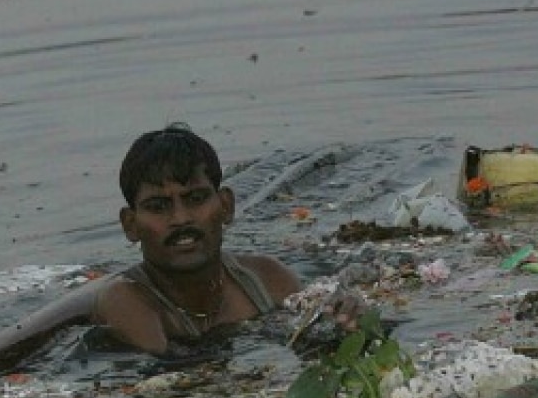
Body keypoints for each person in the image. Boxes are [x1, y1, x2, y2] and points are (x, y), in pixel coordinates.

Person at [92, 123, 360, 355]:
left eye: (196, 199)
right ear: (130, 225)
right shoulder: (125, 300)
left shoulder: (268, 279)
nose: (181, 219)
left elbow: (312, 337)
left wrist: (342, 320)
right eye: (158, 206)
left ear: (226, 206)